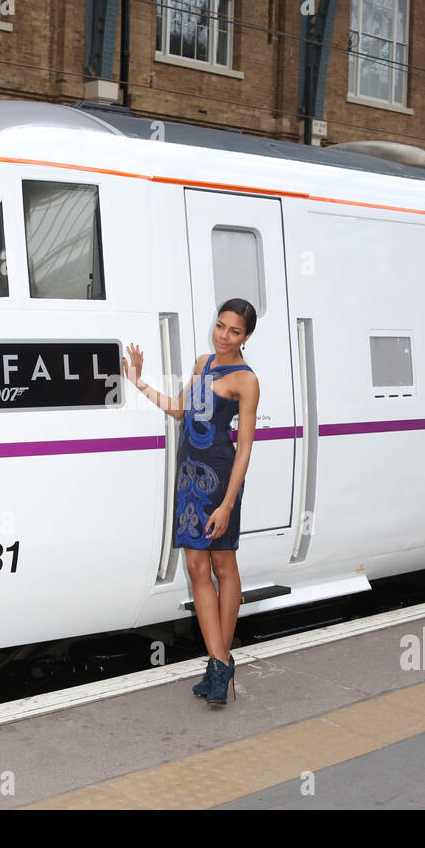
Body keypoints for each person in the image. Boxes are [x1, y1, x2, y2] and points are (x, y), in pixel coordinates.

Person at [124, 298, 259, 707]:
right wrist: (139, 381)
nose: (223, 336)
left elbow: (245, 449)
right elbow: (181, 410)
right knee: (197, 565)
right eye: (220, 326)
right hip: (189, 480)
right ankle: (219, 664)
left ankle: (219, 666)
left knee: (222, 564)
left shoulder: (246, 380)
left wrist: (227, 505)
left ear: (246, 336)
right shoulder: (203, 363)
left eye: (234, 331)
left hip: (218, 481)